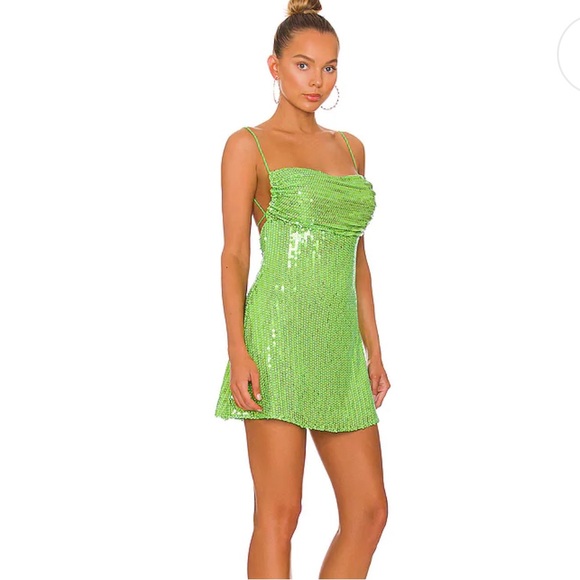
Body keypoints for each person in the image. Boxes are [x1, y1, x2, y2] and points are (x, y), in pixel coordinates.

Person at [214, 0, 392, 577]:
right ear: (274, 66)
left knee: (369, 512)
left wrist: (374, 349)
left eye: (329, 67)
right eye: (303, 65)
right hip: (276, 339)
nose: (317, 81)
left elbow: (357, 259)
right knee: (280, 511)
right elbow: (234, 255)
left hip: (340, 348)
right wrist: (238, 349)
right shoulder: (248, 145)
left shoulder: (351, 148)